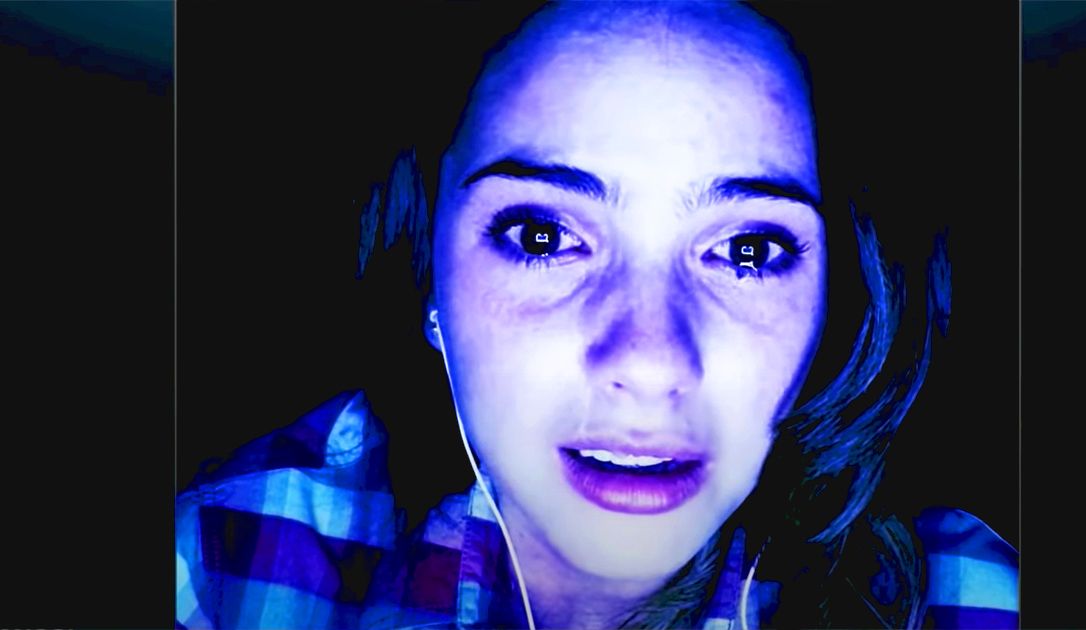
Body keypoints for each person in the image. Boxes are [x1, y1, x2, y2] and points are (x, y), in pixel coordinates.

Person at [176, 2, 1017, 628]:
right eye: (542, 236)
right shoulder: (222, 559)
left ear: (836, 298)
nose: (649, 361)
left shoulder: (967, 602)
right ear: (427, 269)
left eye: (748, 250)